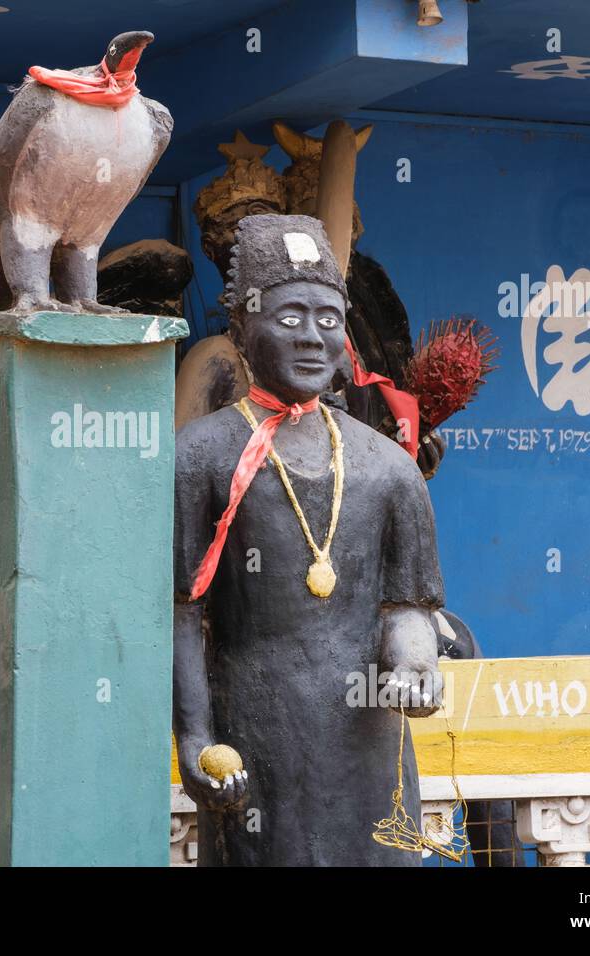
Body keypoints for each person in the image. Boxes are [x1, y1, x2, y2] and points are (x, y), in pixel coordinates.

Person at [172, 214, 444, 865]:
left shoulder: (388, 467)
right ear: (240, 327)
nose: (314, 338)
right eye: (290, 316)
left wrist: (415, 660)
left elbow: (407, 606)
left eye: (328, 318)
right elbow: (179, 609)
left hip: (367, 741)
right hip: (255, 733)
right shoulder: (203, 454)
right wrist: (193, 739)